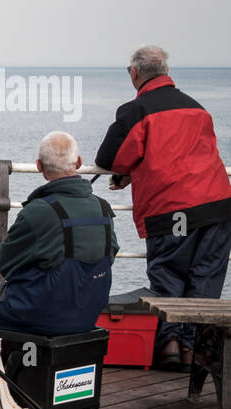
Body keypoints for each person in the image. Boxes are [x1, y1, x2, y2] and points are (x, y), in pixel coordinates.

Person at [0, 132, 118, 383]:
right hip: (88, 312)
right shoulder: (103, 208)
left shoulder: (38, 211)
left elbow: (5, 263)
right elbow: (108, 256)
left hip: (43, 314)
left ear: (39, 167)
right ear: (79, 162)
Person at [94, 46, 231, 370]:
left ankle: (169, 346)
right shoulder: (197, 108)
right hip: (217, 206)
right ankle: (195, 352)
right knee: (205, 281)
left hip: (173, 210)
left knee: (168, 275)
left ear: (134, 73)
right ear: (165, 71)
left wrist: (127, 171)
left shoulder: (136, 110)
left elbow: (109, 158)